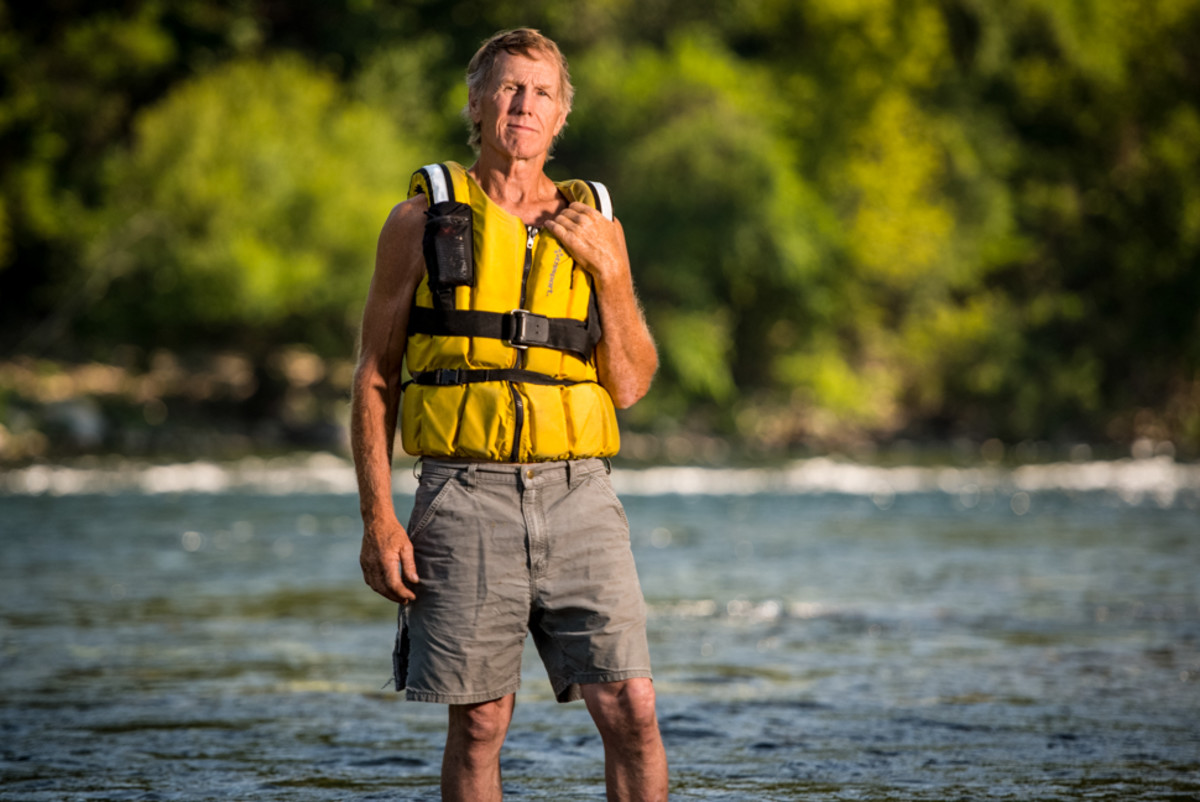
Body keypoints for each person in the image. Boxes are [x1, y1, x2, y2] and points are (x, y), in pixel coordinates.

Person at [351, 28, 668, 802]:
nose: (524, 106)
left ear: (562, 118)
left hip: (580, 494)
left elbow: (629, 385)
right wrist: (379, 521)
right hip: (464, 494)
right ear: (476, 102)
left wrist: (612, 275)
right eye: (508, 88)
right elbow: (374, 378)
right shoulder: (419, 220)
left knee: (630, 707)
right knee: (483, 720)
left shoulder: (597, 225)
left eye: (543, 93)